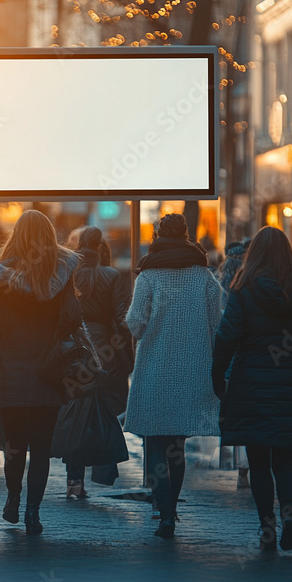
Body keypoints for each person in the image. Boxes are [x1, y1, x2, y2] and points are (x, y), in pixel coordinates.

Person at [0, 210, 81, 535]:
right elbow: (72, 316)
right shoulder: (63, 271)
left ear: (16, 236)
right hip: (48, 371)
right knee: (41, 447)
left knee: (14, 442)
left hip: (9, 370)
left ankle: (12, 499)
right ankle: (33, 513)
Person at [213, 226, 292, 551]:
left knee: (259, 462)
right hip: (290, 383)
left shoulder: (244, 288)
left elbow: (226, 337)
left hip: (251, 384)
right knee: (285, 461)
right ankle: (289, 518)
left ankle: (267, 527)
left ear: (254, 253)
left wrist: (218, 377)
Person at [125, 213, 222, 539]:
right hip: (191, 369)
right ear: (186, 235)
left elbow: (136, 323)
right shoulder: (203, 276)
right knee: (177, 444)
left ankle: (162, 510)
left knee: (155, 439)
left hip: (154, 367)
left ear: (157, 235)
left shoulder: (148, 276)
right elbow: (217, 324)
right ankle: (172, 512)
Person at [64, 226, 132, 497]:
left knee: (76, 414)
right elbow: (122, 318)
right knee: (103, 413)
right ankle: (102, 471)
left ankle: (74, 481)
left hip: (75, 349)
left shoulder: (67, 271)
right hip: (105, 350)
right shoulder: (112, 275)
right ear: (101, 246)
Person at [218, 240, 251, 488]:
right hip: (248, 355)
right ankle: (245, 467)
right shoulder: (248, 283)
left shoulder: (217, 283)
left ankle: (235, 460)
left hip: (224, 353)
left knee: (228, 408)